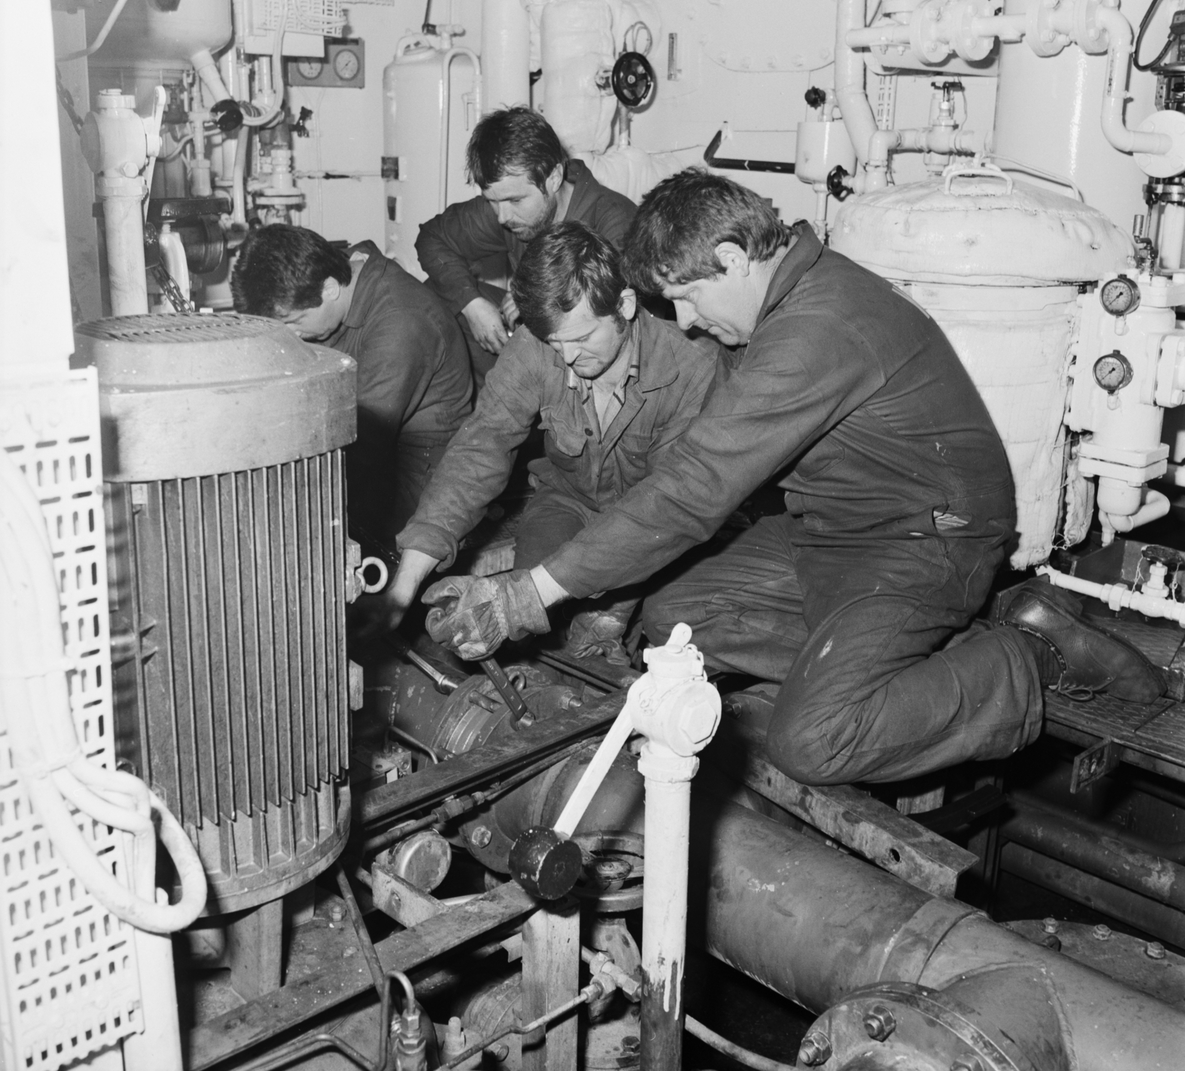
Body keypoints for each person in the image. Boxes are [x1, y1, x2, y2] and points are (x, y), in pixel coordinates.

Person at [420, 169, 1166, 786]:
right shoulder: (786, 305)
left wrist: (529, 593)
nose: (680, 321)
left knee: (812, 743)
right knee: (675, 618)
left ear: (735, 258)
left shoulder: (814, 327)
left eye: (685, 296)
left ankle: (1026, 654)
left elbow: (692, 490)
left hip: (926, 539)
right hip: (834, 531)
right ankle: (892, 660)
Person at [384, 220, 718, 663]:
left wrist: (608, 608)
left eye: (581, 338)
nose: (567, 359)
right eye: (554, 342)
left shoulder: (691, 369)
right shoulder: (540, 344)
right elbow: (479, 447)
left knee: (607, 640)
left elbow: (659, 512)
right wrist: (403, 586)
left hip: (656, 527)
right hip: (566, 502)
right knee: (534, 642)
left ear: (625, 305)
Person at [232, 224, 473, 551]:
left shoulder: (401, 326)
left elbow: (363, 451)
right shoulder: (339, 269)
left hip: (422, 470)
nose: (292, 336)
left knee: (295, 536)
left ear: (330, 289)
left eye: (294, 322)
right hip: (368, 445)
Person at [417, 106, 636, 385]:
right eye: (492, 201)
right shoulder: (511, 203)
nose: (502, 217)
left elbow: (606, 324)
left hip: (589, 360)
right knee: (435, 295)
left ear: (554, 178)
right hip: (537, 339)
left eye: (515, 201)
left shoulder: (615, 222)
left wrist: (531, 298)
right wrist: (471, 304)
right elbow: (433, 238)